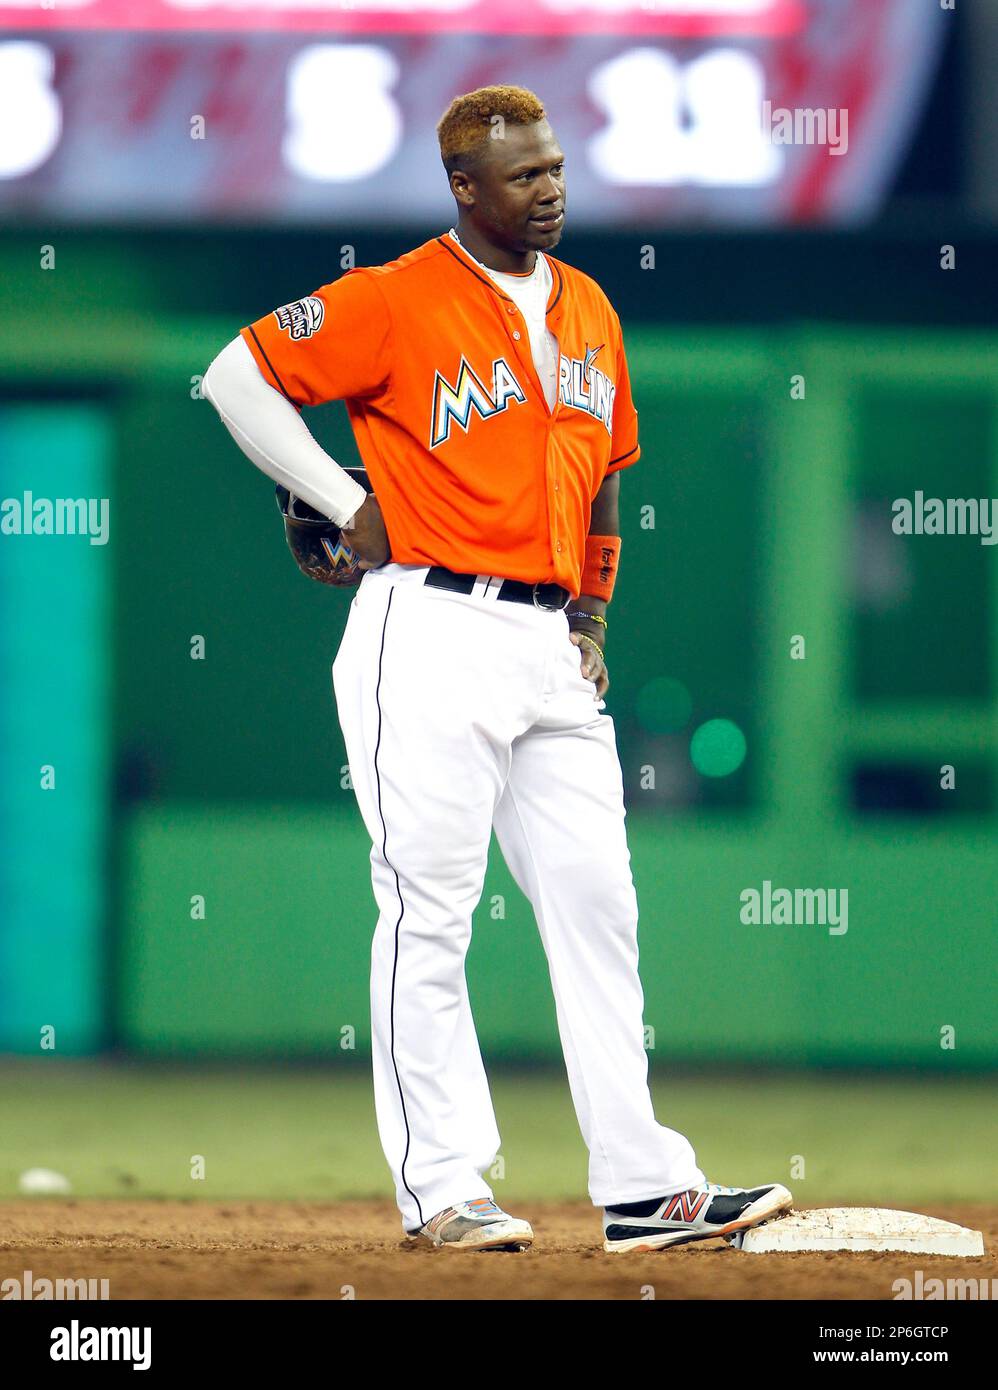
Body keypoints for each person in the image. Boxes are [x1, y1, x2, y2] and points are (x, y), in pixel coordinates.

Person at [203, 85, 791, 1254]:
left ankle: (640, 1185)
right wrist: (337, 498)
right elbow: (234, 376)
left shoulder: (587, 307)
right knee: (429, 913)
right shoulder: (393, 298)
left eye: (557, 168)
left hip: (546, 649)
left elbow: (604, 466)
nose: (551, 188)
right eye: (524, 176)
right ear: (465, 188)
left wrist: (592, 611)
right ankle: (443, 1187)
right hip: (423, 628)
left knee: (598, 908)